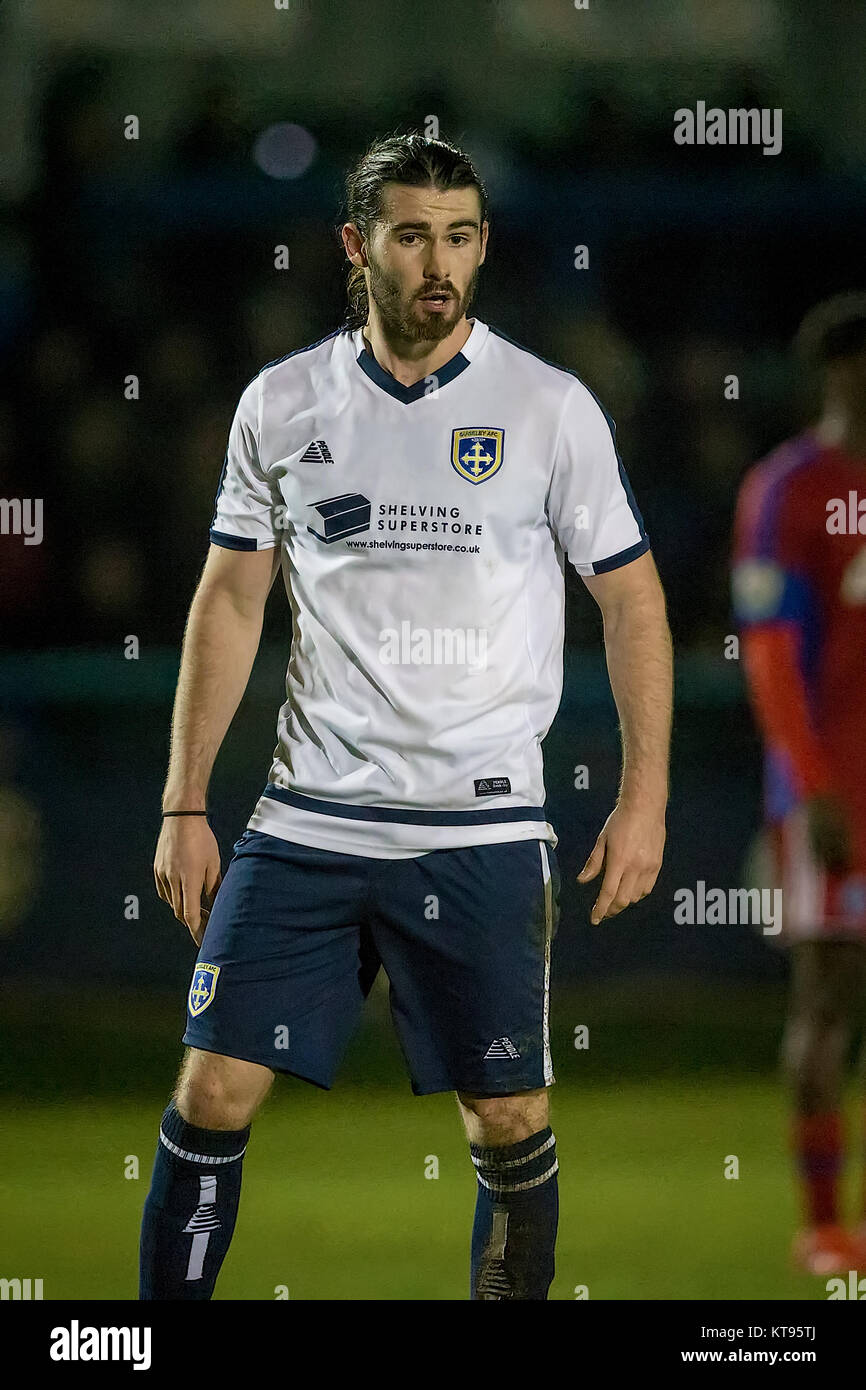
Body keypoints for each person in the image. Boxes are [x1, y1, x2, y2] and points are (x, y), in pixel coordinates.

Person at [141, 132, 672, 1301]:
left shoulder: (547, 406)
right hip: (308, 820)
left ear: (483, 246)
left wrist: (643, 800)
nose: (439, 261)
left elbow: (629, 598)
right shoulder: (282, 402)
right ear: (356, 245)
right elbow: (231, 597)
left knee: (507, 1111)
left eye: (461, 235)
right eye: (412, 234)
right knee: (211, 1092)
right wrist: (185, 800)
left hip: (478, 826)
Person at [732, 292, 866, 1276]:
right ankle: (822, 1226)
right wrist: (811, 786)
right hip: (832, 793)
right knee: (823, 999)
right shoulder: (787, 488)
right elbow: (770, 653)